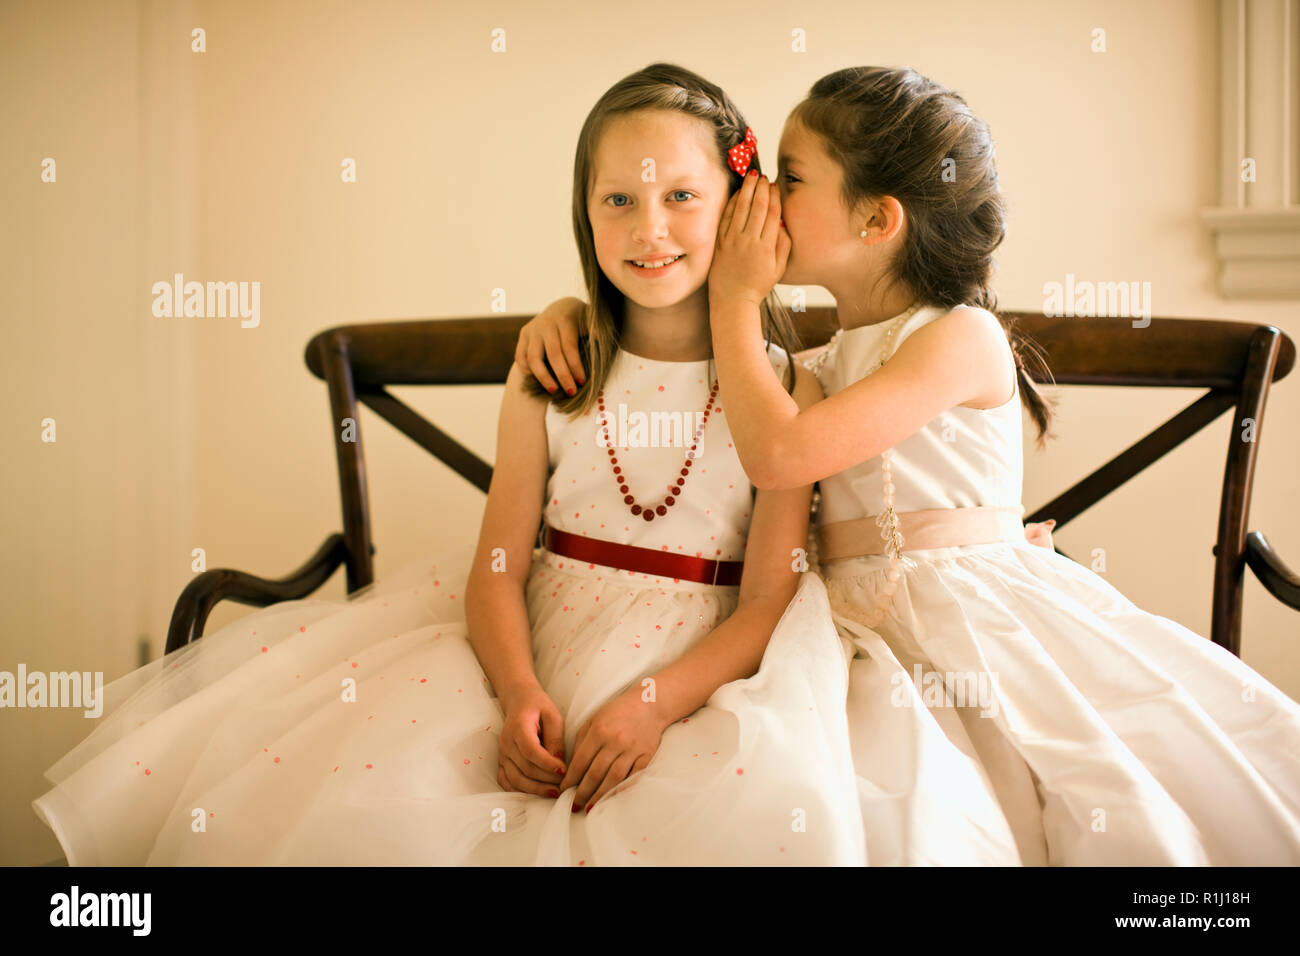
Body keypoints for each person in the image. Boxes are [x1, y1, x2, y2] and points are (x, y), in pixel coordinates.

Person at [31, 63, 871, 866]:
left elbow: (768, 598)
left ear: (737, 206)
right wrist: (515, 695)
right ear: (585, 214)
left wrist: (653, 705)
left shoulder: (783, 391)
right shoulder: (552, 373)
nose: (649, 227)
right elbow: (497, 571)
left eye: (681, 196)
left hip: (699, 680)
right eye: (618, 198)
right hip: (528, 654)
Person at [513, 66, 1300, 865]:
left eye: (789, 177)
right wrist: (571, 311)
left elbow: (779, 453)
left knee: (1073, 797)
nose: (764, 197)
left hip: (966, 630)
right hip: (852, 636)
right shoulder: (813, 365)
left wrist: (733, 300)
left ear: (876, 219)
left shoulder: (961, 338)